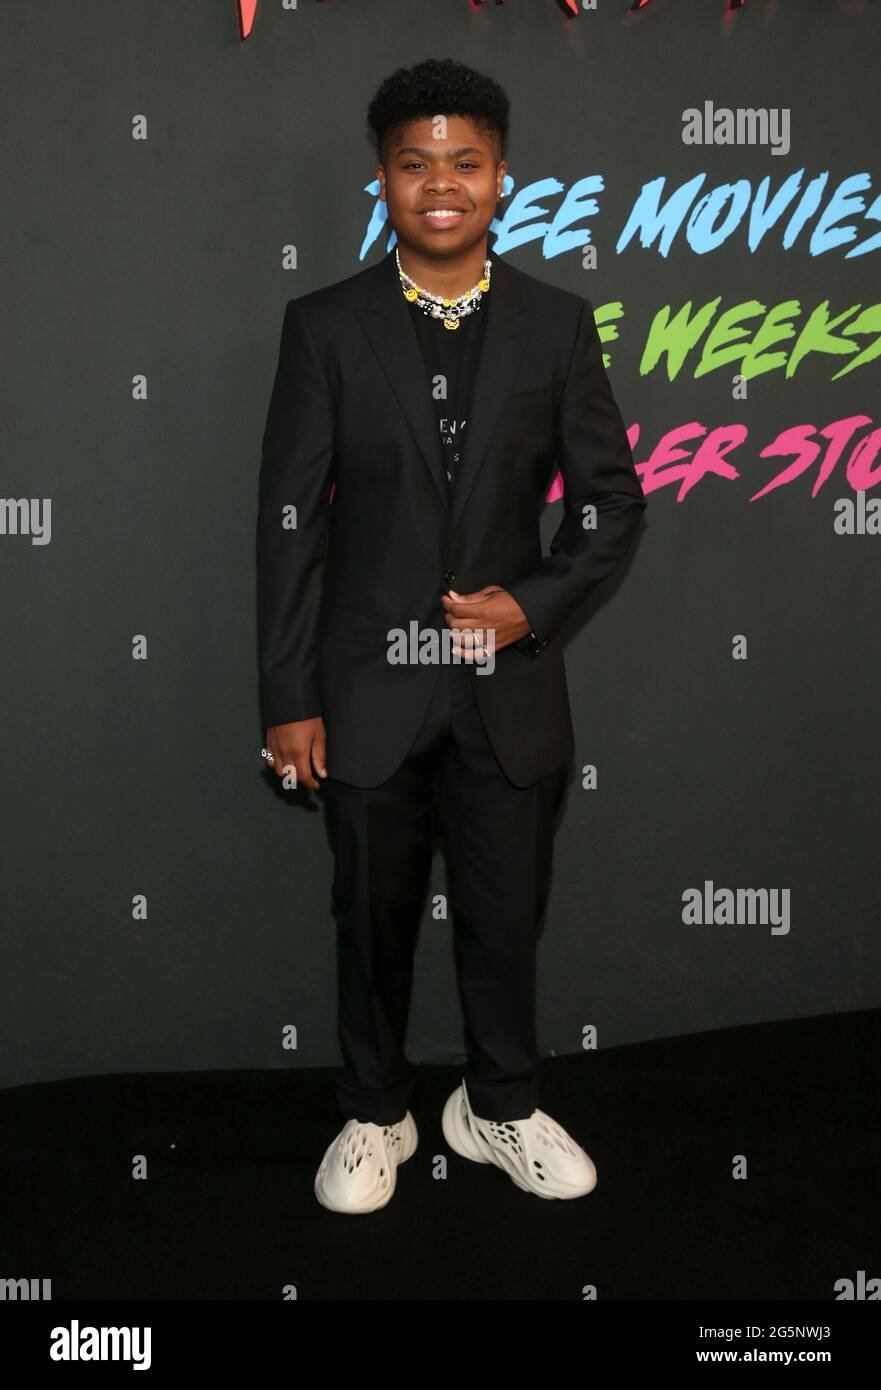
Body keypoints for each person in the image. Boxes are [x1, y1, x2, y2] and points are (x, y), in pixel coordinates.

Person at [256, 58, 647, 1214]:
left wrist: (530, 603)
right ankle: (375, 1114)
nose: (440, 184)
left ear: (499, 179)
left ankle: (499, 1107)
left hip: (506, 687)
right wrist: (287, 695)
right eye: (414, 163)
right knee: (368, 917)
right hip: (368, 690)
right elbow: (286, 527)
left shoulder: (559, 327)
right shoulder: (323, 327)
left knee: (502, 913)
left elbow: (612, 501)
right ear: (380, 179)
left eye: (463, 163)